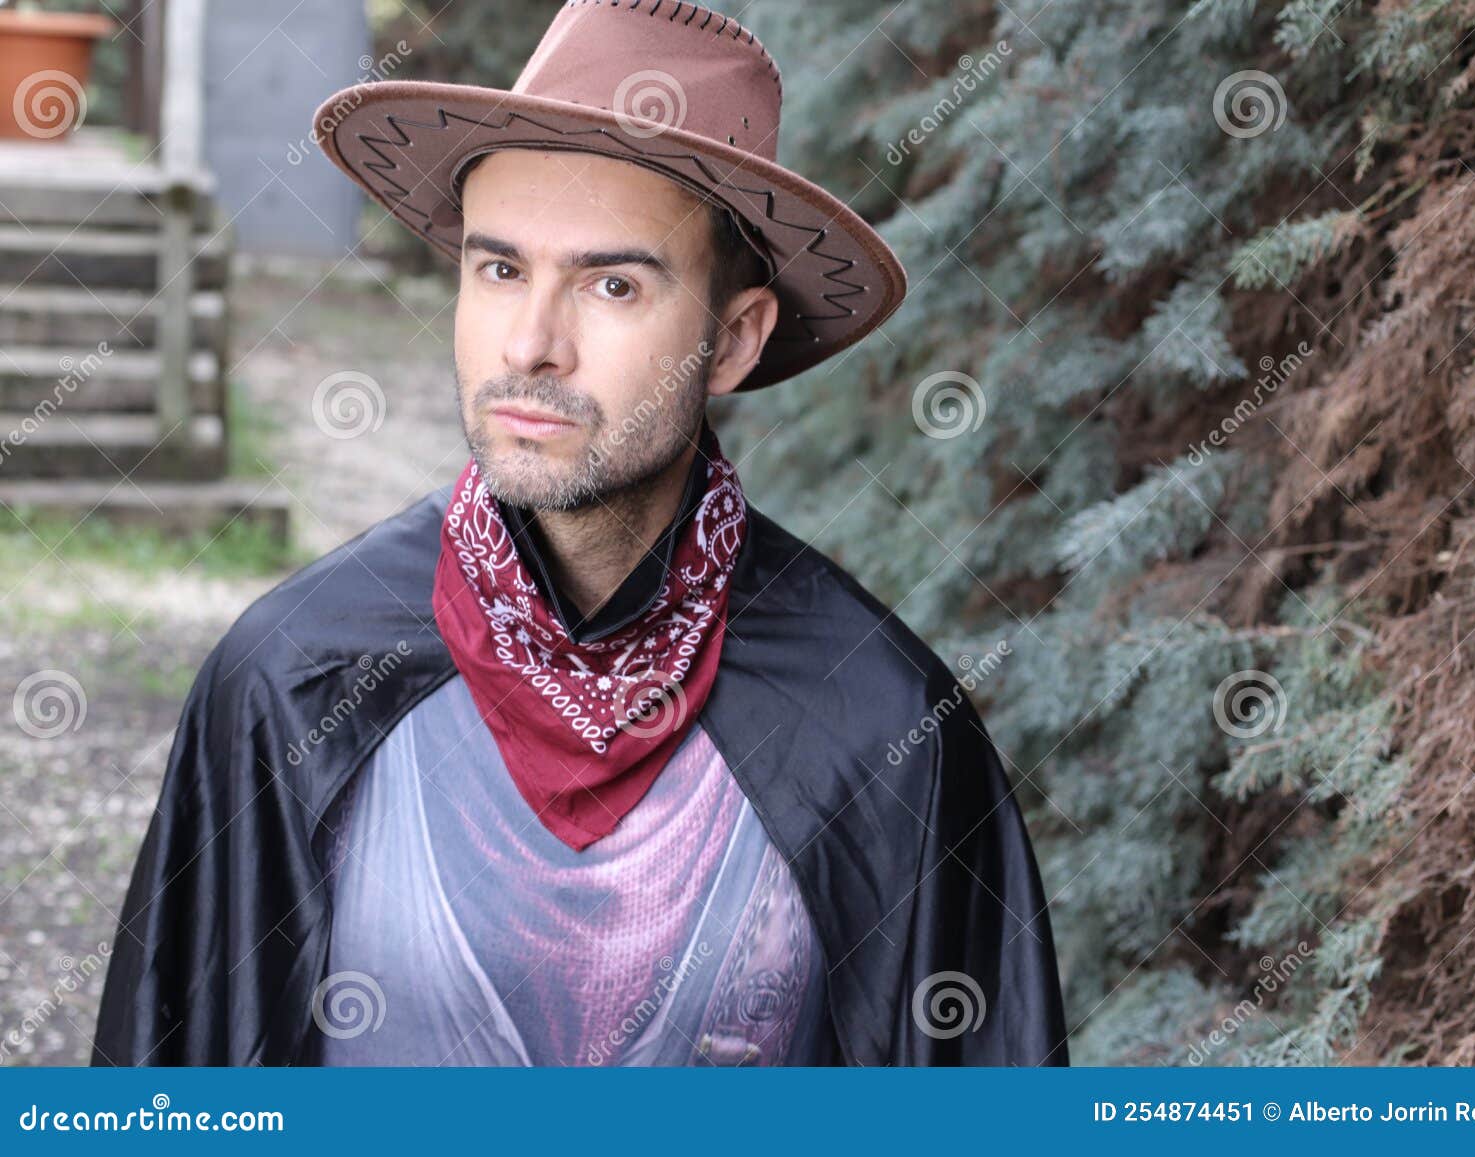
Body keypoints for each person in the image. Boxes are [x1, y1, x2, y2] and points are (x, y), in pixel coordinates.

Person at [92, 0, 1067, 1067]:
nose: (531, 343)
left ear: (734, 338)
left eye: (611, 283)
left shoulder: (879, 725)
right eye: (499, 268)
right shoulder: (294, 678)